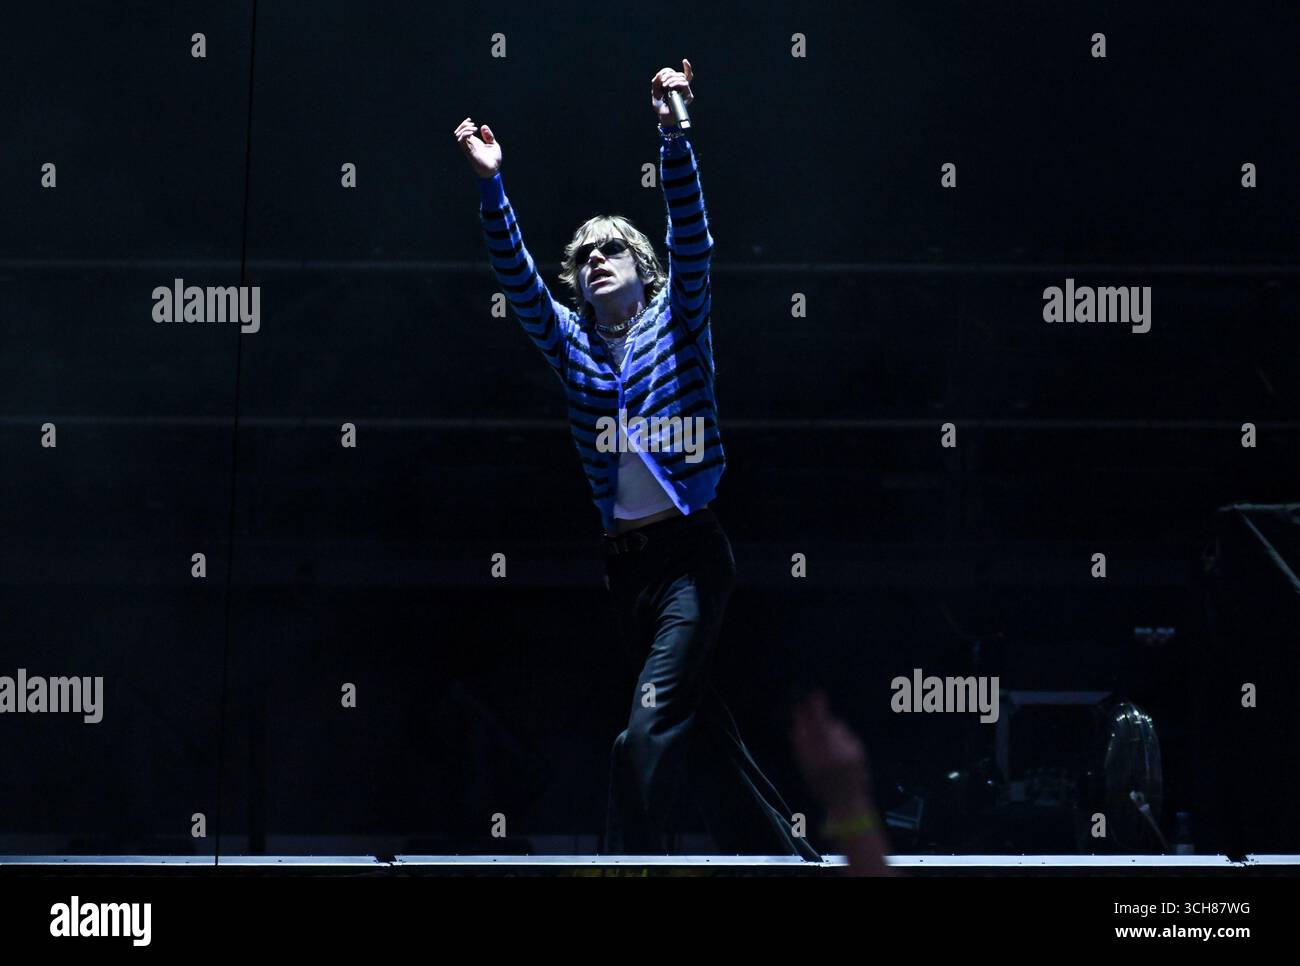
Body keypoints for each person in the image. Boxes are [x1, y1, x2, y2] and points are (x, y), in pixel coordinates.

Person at [455, 60, 820, 860]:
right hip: (626, 571)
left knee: (643, 734)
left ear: (642, 269)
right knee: (703, 731)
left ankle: (629, 868)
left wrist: (673, 134)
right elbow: (518, 280)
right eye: (585, 256)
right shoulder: (573, 346)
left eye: (612, 249)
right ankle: (789, 861)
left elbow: (692, 235)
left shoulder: (677, 318)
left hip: (690, 559)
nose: (596, 259)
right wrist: (492, 186)